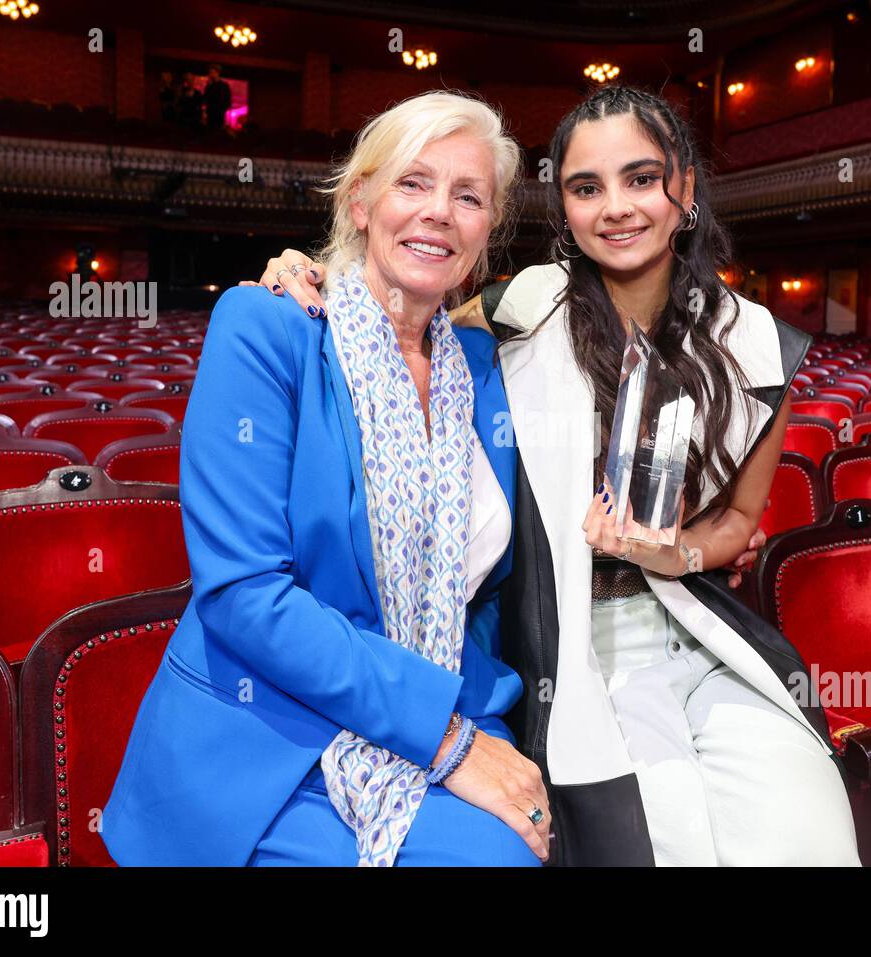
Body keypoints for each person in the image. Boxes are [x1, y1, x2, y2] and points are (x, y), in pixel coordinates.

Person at [250, 86, 861, 866]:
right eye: (585, 187)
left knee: (805, 821)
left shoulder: (756, 345)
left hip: (695, 623)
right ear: (564, 209)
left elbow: (740, 523)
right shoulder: (516, 312)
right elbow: (395, 311)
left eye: (642, 178)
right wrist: (308, 270)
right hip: (568, 635)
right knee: (665, 832)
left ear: (686, 191)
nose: (616, 207)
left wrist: (672, 553)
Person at [101, 90, 551, 867]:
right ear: (360, 201)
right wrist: (445, 739)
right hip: (277, 736)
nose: (439, 211)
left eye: (468, 195)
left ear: (487, 231)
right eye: (412, 183)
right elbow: (244, 595)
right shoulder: (267, 326)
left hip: (450, 700)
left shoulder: (485, 367)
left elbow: (477, 595)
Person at [204, 64, 232, 130]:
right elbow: (206, 98)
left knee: (218, 130)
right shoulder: (209, 86)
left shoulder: (224, 86)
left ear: (217, 73)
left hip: (219, 114)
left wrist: (223, 110)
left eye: (212, 72)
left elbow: (227, 99)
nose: (210, 74)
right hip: (211, 114)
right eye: (210, 73)